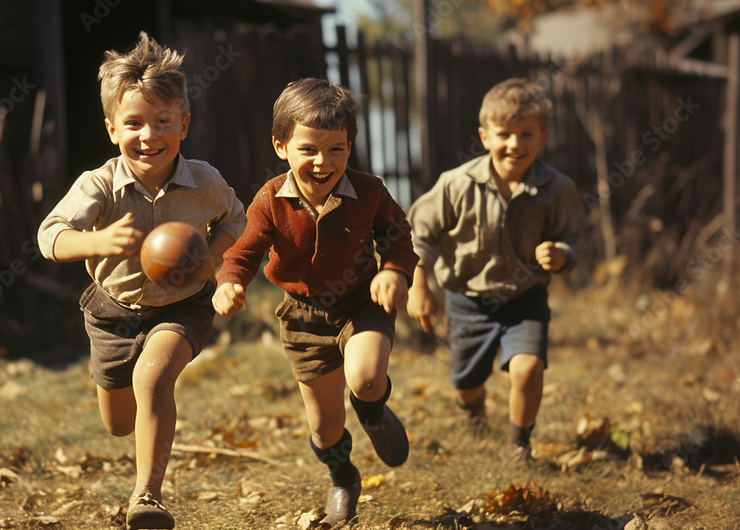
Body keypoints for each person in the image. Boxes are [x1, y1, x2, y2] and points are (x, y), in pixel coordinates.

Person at [37, 32, 246, 530]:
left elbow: (237, 221)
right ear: (112, 130)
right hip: (112, 312)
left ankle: (146, 498)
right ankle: (132, 424)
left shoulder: (206, 181)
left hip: (182, 307)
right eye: (133, 123)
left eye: (162, 122)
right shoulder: (99, 185)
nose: (149, 135)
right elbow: (50, 236)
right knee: (118, 422)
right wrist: (96, 242)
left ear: (184, 124)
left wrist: (211, 262)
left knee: (153, 376)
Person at [214, 78, 418, 527]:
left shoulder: (369, 191)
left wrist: (394, 271)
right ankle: (343, 477)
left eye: (337, 150)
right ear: (281, 146)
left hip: (362, 303)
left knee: (365, 379)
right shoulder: (270, 200)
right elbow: (243, 252)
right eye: (309, 149)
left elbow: (399, 236)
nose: (323, 163)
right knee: (325, 427)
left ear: (351, 146)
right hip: (304, 318)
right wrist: (229, 281)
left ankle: (373, 408)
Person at [406, 77, 586, 460]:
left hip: (526, 300)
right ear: (485, 136)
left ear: (543, 138)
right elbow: (417, 235)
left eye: (526, 134)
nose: (514, 144)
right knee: (467, 383)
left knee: (528, 368)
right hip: (467, 300)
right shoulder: (456, 185)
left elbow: (574, 239)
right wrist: (419, 286)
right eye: (504, 134)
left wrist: (562, 254)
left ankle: (518, 447)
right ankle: (472, 410)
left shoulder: (557, 188)